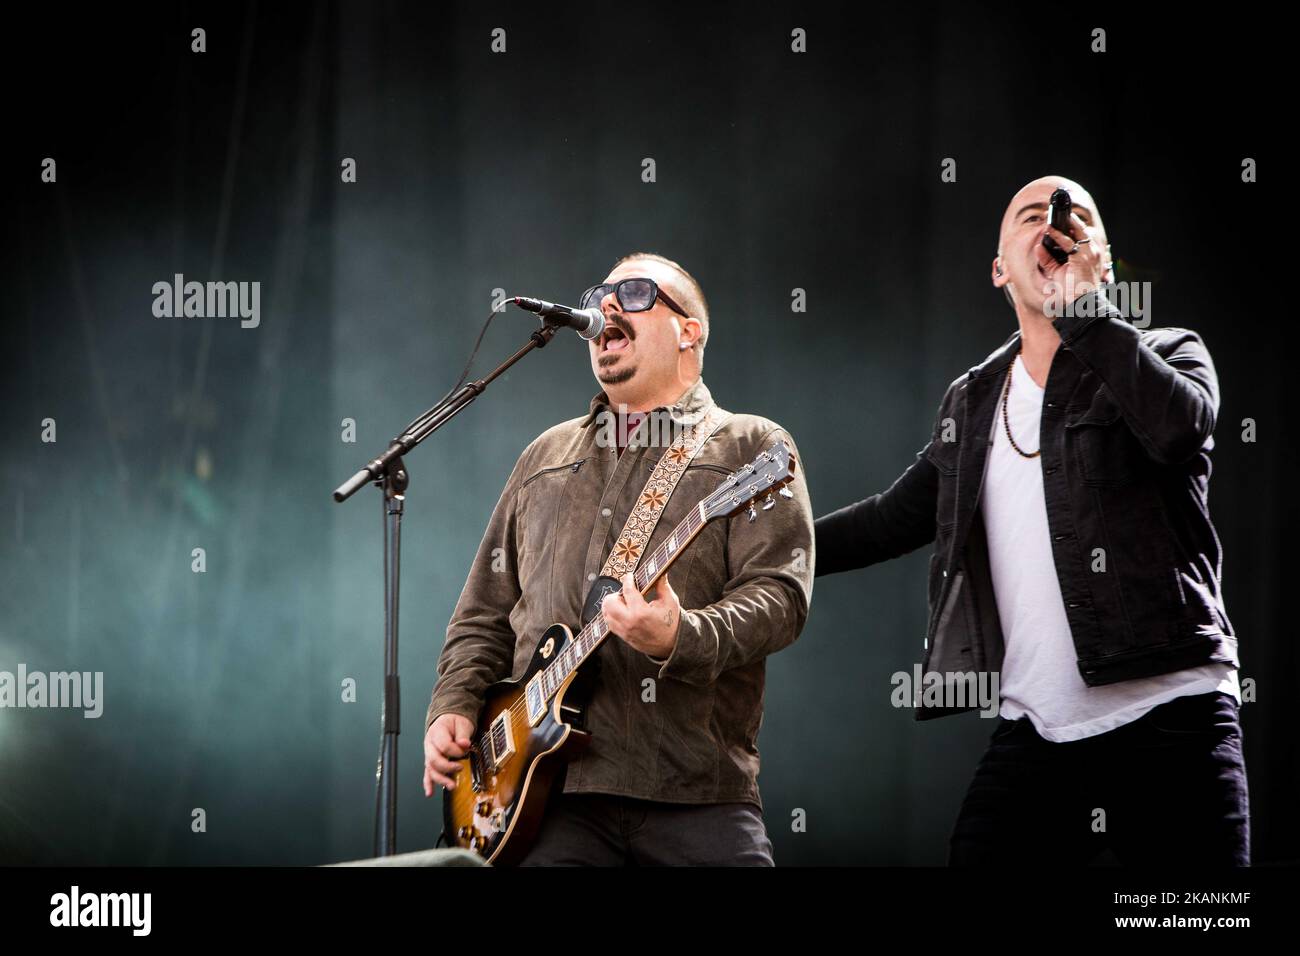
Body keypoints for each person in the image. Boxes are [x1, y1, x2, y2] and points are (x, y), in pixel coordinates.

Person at [816, 176, 1248, 865]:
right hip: (1034, 732)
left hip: (1174, 720)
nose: (1053, 222)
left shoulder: (1170, 351)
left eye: (1075, 215)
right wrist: (757, 548)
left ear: (1101, 258)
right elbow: (891, 519)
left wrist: (1081, 308)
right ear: (998, 269)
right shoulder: (975, 400)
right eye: (1029, 215)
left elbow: (1177, 431)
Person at [423, 252, 814, 865]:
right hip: (543, 803)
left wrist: (680, 635)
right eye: (600, 293)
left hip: (692, 788)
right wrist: (454, 705)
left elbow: (781, 598)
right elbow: (483, 612)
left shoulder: (751, 446)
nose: (606, 304)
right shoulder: (544, 454)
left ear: (689, 331)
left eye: (633, 293)